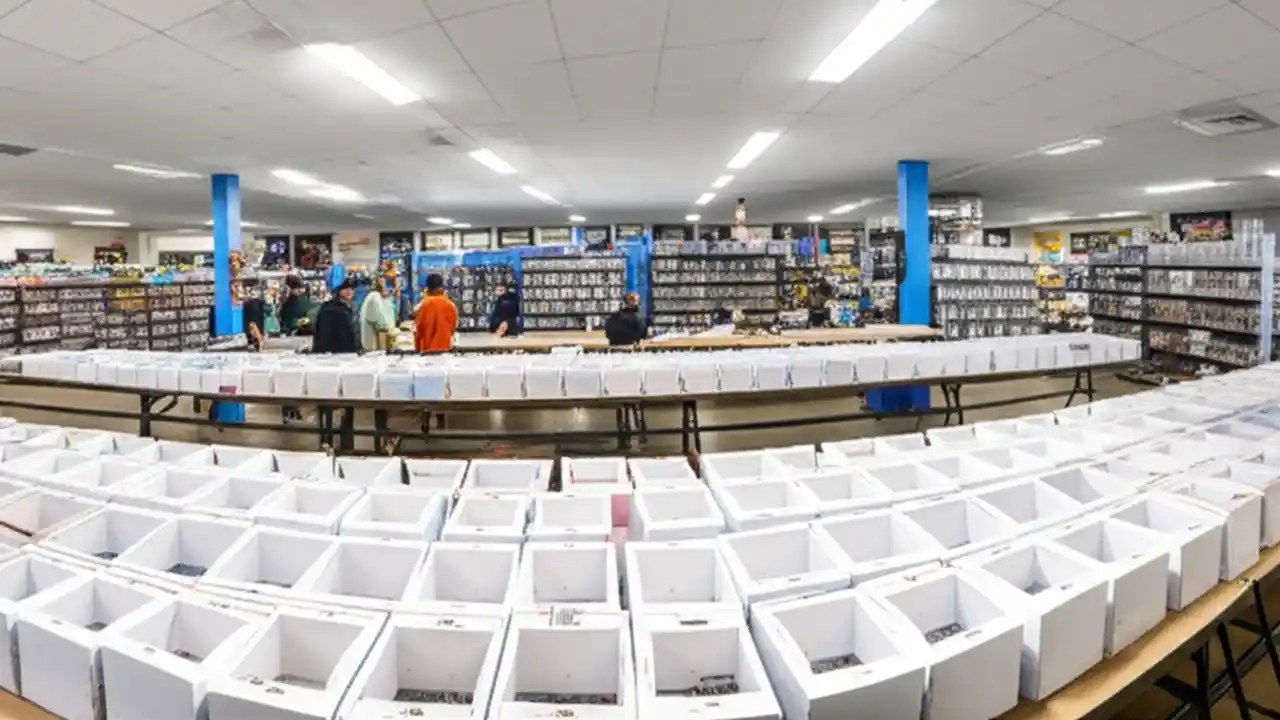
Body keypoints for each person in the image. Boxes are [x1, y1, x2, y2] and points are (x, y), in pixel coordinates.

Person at [414, 273, 458, 353]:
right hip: (445, 351)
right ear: (441, 287)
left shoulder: (422, 306)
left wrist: (417, 349)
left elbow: (418, 332)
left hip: (427, 351)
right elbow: (453, 329)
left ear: (427, 288)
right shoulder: (451, 306)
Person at [313, 280, 359, 354]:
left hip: (347, 353)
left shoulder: (350, 308)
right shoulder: (330, 309)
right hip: (334, 354)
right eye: (345, 288)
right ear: (338, 291)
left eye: (352, 289)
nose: (349, 291)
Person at [359, 278, 396, 351]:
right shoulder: (374, 297)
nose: (386, 289)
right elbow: (382, 324)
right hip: (372, 345)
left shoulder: (374, 296)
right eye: (384, 286)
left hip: (373, 343)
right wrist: (391, 327)